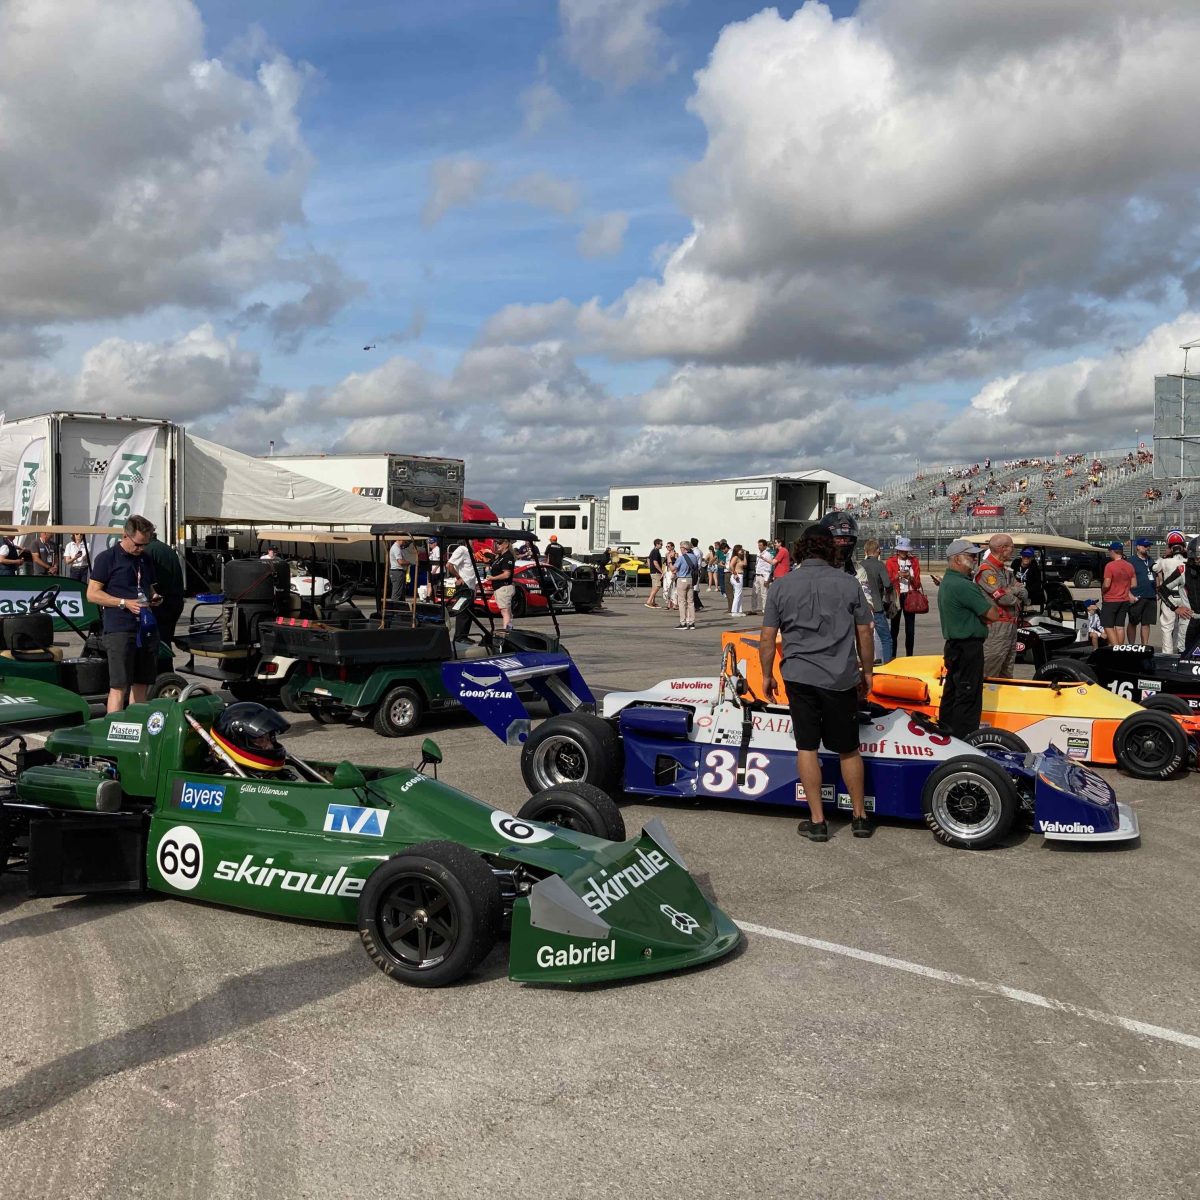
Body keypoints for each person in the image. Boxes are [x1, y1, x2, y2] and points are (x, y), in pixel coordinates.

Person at [759, 525, 875, 842]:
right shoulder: (849, 584)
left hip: (799, 675)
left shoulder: (781, 586)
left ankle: (817, 820)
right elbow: (865, 631)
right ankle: (860, 817)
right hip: (840, 676)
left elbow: (768, 637)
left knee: (807, 746)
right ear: (830, 549)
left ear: (800, 549)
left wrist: (766, 674)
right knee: (849, 748)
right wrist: (867, 671)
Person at [86, 515, 164, 714]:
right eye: (138, 544)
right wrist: (122, 602)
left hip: (145, 627)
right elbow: (92, 594)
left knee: (142, 682)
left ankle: (137, 726)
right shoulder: (107, 558)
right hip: (120, 628)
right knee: (119, 685)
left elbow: (148, 586)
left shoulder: (145, 559)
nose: (141, 549)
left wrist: (154, 596)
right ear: (125, 536)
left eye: (145, 544)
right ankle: (113, 728)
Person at [937, 539, 1000, 738]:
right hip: (968, 647)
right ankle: (964, 740)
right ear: (957, 559)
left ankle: (947, 734)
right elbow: (992, 614)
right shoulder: (963, 585)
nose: (975, 559)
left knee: (952, 693)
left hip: (956, 646)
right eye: (971, 556)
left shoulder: (949, 581)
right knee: (968, 696)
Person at [974, 534, 1027, 679]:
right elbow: (1003, 598)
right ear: (1002, 549)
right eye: (1011, 547)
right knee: (991, 671)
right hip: (996, 628)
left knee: (1006, 672)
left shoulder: (1004, 570)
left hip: (1010, 626)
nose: (1013, 550)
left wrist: (1012, 590)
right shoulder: (987, 570)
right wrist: (1013, 591)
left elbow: (1024, 593)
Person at [209, 702, 298, 778]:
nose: (270, 746)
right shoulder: (231, 779)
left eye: (269, 739)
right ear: (238, 742)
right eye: (260, 740)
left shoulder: (289, 769)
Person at [143, 530, 186, 650]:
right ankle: (166, 666)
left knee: (158, 641)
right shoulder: (166, 548)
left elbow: (148, 578)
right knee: (165, 639)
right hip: (175, 600)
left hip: (162, 602)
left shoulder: (148, 550)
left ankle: (163, 667)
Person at [885, 536, 922, 657]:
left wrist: (910, 578)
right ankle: (892, 656)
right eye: (901, 550)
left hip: (910, 595)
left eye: (905, 550)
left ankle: (909, 656)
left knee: (910, 630)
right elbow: (887, 581)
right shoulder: (891, 562)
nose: (903, 552)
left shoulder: (914, 561)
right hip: (896, 596)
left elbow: (918, 583)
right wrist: (897, 576)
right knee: (894, 629)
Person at [859, 538, 894, 664]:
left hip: (862, 608)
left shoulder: (860, 565)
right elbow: (887, 584)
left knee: (864, 638)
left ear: (866, 551)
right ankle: (888, 664)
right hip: (877, 606)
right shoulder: (880, 565)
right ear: (878, 551)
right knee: (886, 638)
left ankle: (866, 662)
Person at [1155, 531, 1190, 653]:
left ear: (1169, 547)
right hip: (1185, 597)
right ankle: (1183, 652)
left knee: (1167, 627)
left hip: (1168, 596)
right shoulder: (1188, 560)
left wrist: (1165, 556)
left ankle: (1167, 654)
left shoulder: (1164, 561)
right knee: (1184, 626)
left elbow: (1153, 568)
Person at [1100, 540, 1135, 645]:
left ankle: (1115, 648)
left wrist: (1103, 590)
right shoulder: (1130, 566)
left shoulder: (1110, 566)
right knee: (1120, 626)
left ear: (1112, 552)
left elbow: (1106, 584)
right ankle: (1121, 648)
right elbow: (1134, 584)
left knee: (1108, 625)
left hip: (1111, 599)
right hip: (1124, 599)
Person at [447, 538, 480, 644]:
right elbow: (449, 565)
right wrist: (458, 577)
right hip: (464, 585)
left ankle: (464, 635)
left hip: (470, 586)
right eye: (471, 540)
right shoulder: (461, 549)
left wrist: (474, 587)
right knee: (463, 612)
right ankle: (459, 637)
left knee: (469, 612)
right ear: (466, 541)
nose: (473, 542)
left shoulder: (468, 551)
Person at [1127, 537, 1157, 646]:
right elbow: (1125, 580)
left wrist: (1157, 591)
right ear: (1138, 547)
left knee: (1146, 623)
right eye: (1145, 546)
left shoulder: (1151, 560)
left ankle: (1145, 646)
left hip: (1150, 596)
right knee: (1133, 622)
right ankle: (1131, 645)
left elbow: (1157, 576)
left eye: (1148, 546)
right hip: (1136, 596)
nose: (1147, 548)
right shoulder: (1130, 561)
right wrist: (1129, 594)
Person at [487, 536, 516, 633]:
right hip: (498, 587)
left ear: (506, 544)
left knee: (505, 611)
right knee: (505, 611)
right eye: (496, 543)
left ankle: (506, 633)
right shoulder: (499, 557)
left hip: (504, 587)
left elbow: (506, 574)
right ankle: (509, 630)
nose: (497, 545)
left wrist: (493, 578)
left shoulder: (508, 557)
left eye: (499, 543)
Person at [672, 536, 699, 629]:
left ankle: (683, 623)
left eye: (681, 548)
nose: (680, 549)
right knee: (691, 602)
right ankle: (692, 622)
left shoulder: (681, 558)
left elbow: (673, 569)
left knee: (682, 602)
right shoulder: (694, 557)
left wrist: (669, 560)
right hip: (690, 579)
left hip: (682, 579)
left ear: (684, 548)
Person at [1015, 548, 1043, 613]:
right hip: (1015, 591)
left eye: (1028, 557)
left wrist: (1025, 588)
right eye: (1024, 556)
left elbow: (1037, 585)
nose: (1026, 558)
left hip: (1028, 595)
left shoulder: (1035, 569)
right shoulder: (1016, 565)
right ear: (1021, 556)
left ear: (1032, 558)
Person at [753, 539, 774, 614]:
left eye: (761, 545)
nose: (759, 547)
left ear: (765, 546)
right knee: (754, 592)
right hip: (757, 575)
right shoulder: (758, 553)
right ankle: (754, 609)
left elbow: (769, 568)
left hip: (763, 576)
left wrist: (766, 579)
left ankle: (765, 609)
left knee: (764, 593)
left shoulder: (767, 555)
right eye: (758, 545)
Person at [645, 538, 664, 608]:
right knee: (657, 586)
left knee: (654, 587)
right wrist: (661, 571)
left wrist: (650, 568)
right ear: (657, 544)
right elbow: (655, 562)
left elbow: (648, 559)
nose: (662, 545)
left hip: (653, 571)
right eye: (661, 544)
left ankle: (653, 602)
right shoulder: (656, 551)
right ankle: (649, 601)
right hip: (656, 572)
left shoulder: (653, 551)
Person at [728, 544, 746, 615]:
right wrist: (735, 573)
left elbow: (745, 564)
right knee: (738, 594)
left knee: (740, 594)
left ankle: (739, 610)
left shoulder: (740, 558)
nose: (742, 550)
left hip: (740, 575)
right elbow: (731, 565)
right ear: (737, 550)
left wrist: (744, 555)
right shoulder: (735, 557)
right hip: (737, 575)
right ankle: (735, 611)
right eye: (741, 549)